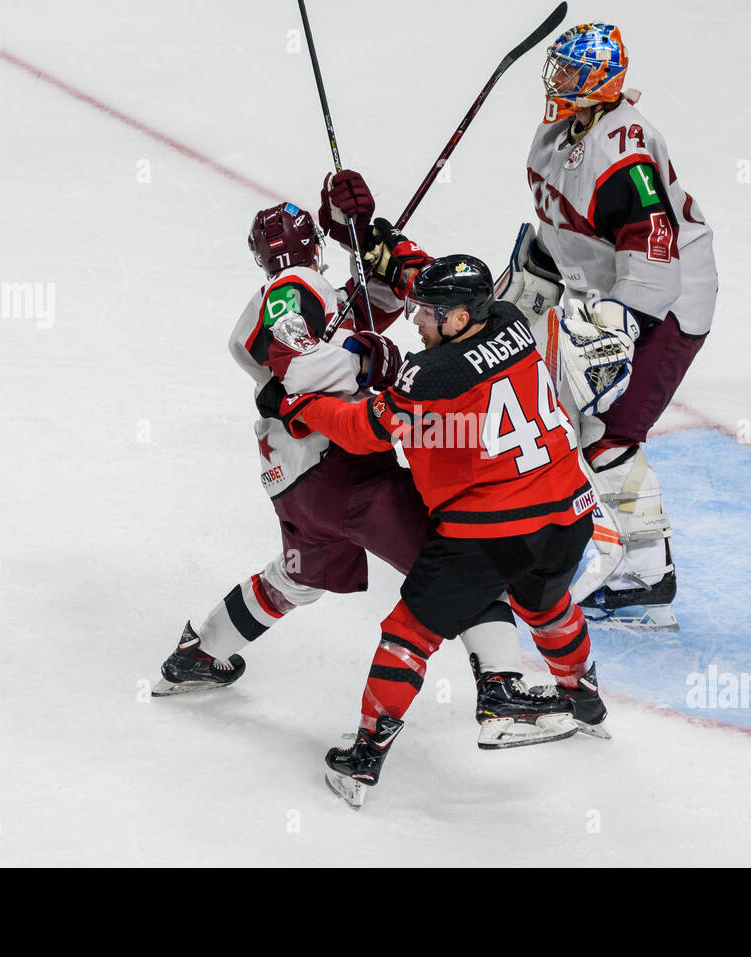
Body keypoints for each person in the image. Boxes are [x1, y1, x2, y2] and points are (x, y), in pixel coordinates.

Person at [151, 178, 574, 750]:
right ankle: (501, 692)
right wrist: (373, 358)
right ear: (312, 251)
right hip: (347, 474)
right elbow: (301, 368)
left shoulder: (312, 296)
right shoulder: (294, 288)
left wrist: (361, 234)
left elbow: (381, 303)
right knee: (469, 574)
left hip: (296, 485)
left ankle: (200, 653)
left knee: (298, 578)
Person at [269, 254, 611, 808]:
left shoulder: (430, 376)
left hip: (491, 530)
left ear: (457, 318)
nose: (415, 320)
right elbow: (444, 283)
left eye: (427, 313)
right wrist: (390, 250)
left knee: (410, 632)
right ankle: (585, 700)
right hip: (569, 514)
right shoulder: (508, 320)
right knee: (546, 607)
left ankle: (362, 758)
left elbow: (364, 431)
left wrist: (302, 406)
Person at [495, 22, 718, 627]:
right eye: (557, 69)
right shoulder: (564, 128)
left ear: (598, 81)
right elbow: (559, 223)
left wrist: (616, 332)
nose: (556, 81)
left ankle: (648, 574)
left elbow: (655, 251)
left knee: (609, 431)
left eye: (569, 72)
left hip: (667, 301)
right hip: (603, 292)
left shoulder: (625, 154)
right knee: (568, 419)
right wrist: (529, 287)